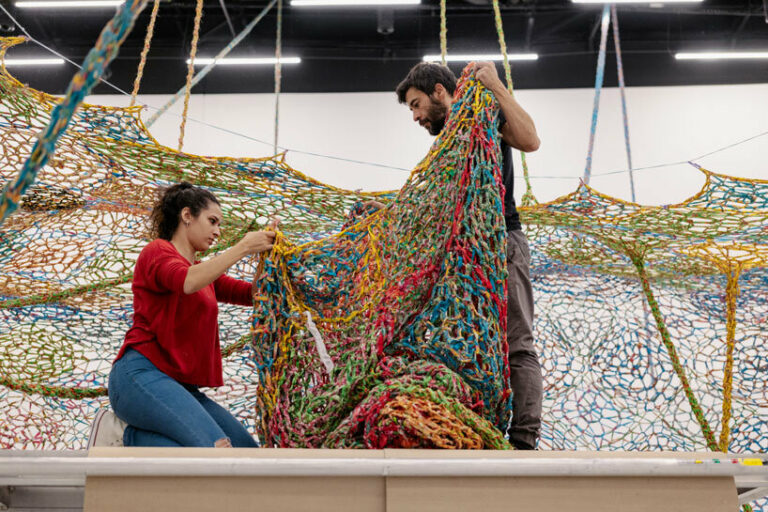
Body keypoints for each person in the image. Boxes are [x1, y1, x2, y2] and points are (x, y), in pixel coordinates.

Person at [395, 61, 543, 450]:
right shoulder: (448, 143)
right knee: (465, 341)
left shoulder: (483, 115)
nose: (415, 116)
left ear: (440, 93)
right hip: (463, 255)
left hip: (501, 244)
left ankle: (524, 443)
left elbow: (530, 140)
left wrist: (494, 84)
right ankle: (479, 428)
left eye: (416, 104)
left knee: (517, 344)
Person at [90, 182, 276, 448]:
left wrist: (271, 257)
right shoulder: (157, 252)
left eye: (219, 225)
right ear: (187, 216)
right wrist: (244, 246)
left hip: (181, 387)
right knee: (215, 448)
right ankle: (120, 435)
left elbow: (256, 295)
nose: (217, 231)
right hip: (139, 375)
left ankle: (132, 436)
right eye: (212, 221)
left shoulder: (204, 272)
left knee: (246, 451)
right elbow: (186, 281)